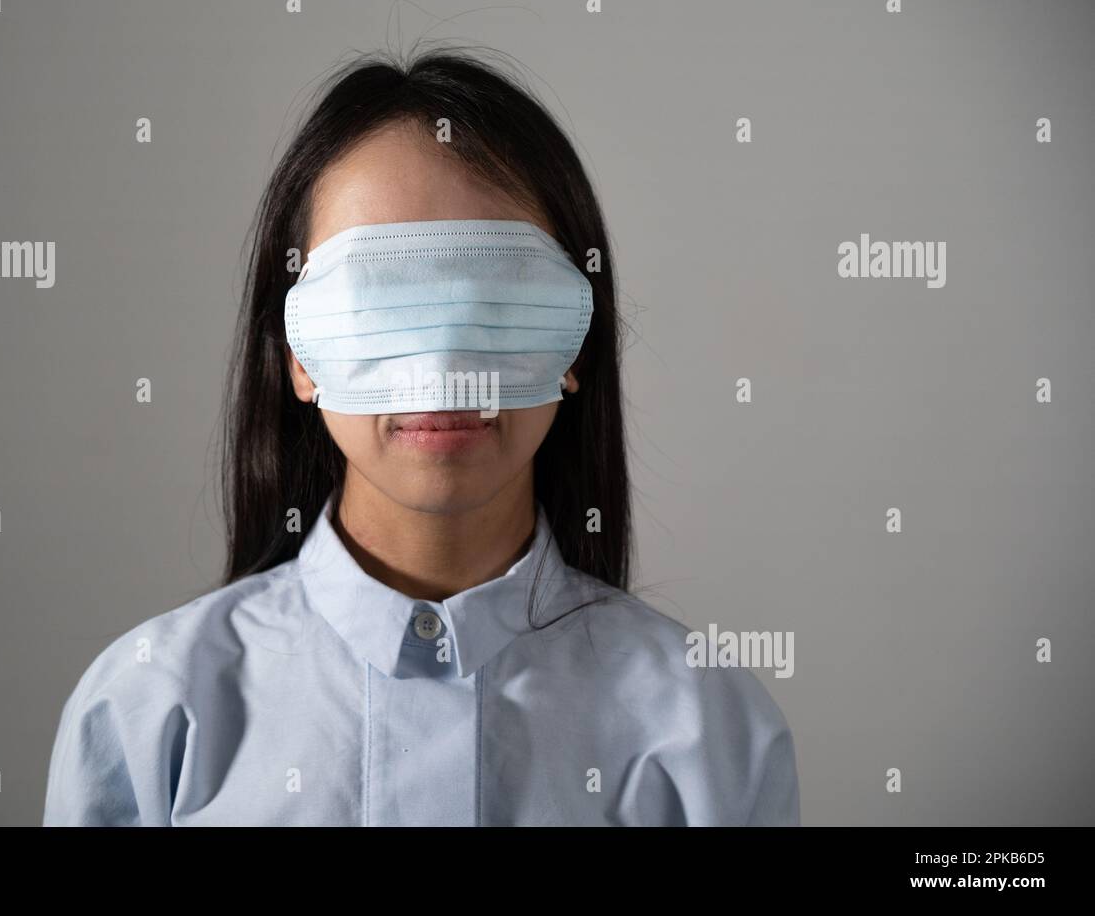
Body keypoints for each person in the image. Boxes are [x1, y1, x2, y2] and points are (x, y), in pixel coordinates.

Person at [42, 46, 800, 826]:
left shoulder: (707, 727)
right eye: (377, 300)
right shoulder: (148, 712)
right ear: (299, 357)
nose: (441, 367)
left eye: (501, 297)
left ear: (577, 343)